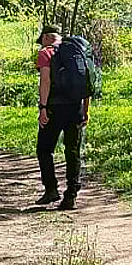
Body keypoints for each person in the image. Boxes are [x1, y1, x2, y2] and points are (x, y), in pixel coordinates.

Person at [35, 25, 92, 210]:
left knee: (44, 149)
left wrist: (43, 107)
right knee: (73, 151)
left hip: (54, 108)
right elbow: (87, 81)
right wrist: (86, 109)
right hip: (75, 107)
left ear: (46, 37)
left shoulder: (46, 53)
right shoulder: (78, 50)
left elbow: (45, 81)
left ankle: (51, 189)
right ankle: (71, 195)